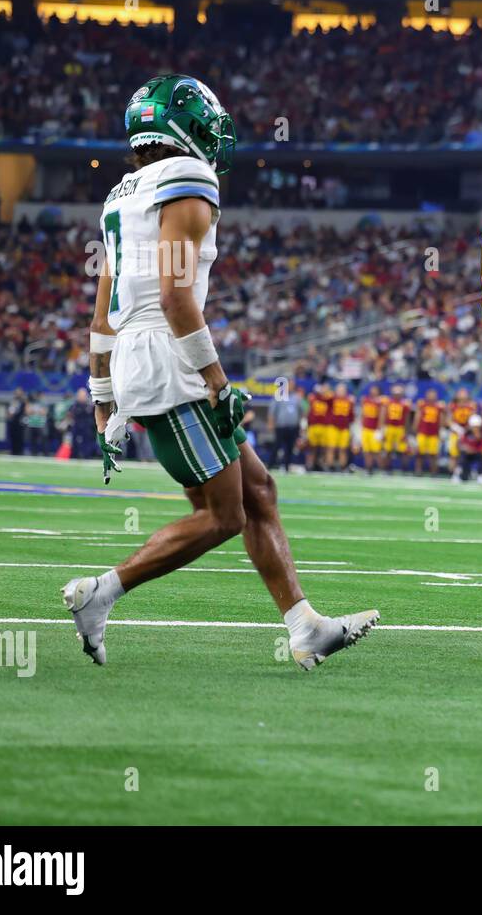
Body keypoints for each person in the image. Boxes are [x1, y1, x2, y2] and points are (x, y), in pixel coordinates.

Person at [65, 74, 377, 670]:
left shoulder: (120, 192)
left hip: (142, 355)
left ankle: (304, 624)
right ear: (186, 128)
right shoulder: (188, 178)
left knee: (258, 490)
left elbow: (102, 304)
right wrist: (218, 382)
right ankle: (101, 592)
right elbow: (177, 296)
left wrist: (103, 397)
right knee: (221, 514)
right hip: (169, 359)